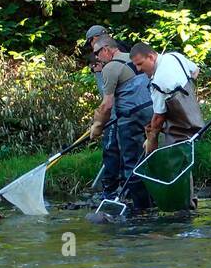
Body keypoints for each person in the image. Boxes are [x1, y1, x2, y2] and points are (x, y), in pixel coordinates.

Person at [87, 38, 153, 211]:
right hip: (151, 113)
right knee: (150, 157)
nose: (97, 58)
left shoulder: (110, 68)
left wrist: (97, 126)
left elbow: (107, 104)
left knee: (130, 163)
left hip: (129, 118)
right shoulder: (134, 58)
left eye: (97, 53)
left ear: (107, 49)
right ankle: (155, 200)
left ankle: (141, 210)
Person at [130, 42, 204, 153]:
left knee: (174, 162)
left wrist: (151, 139)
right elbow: (195, 71)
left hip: (179, 133)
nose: (138, 69)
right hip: (197, 123)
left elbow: (158, 118)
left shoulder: (158, 81)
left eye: (140, 64)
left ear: (151, 57)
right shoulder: (175, 56)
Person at [84, 25, 121, 198]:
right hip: (127, 110)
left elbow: (108, 95)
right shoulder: (123, 51)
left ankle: (110, 190)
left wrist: (99, 123)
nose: (93, 50)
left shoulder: (112, 54)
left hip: (117, 112)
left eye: (91, 42)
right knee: (125, 149)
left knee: (111, 148)